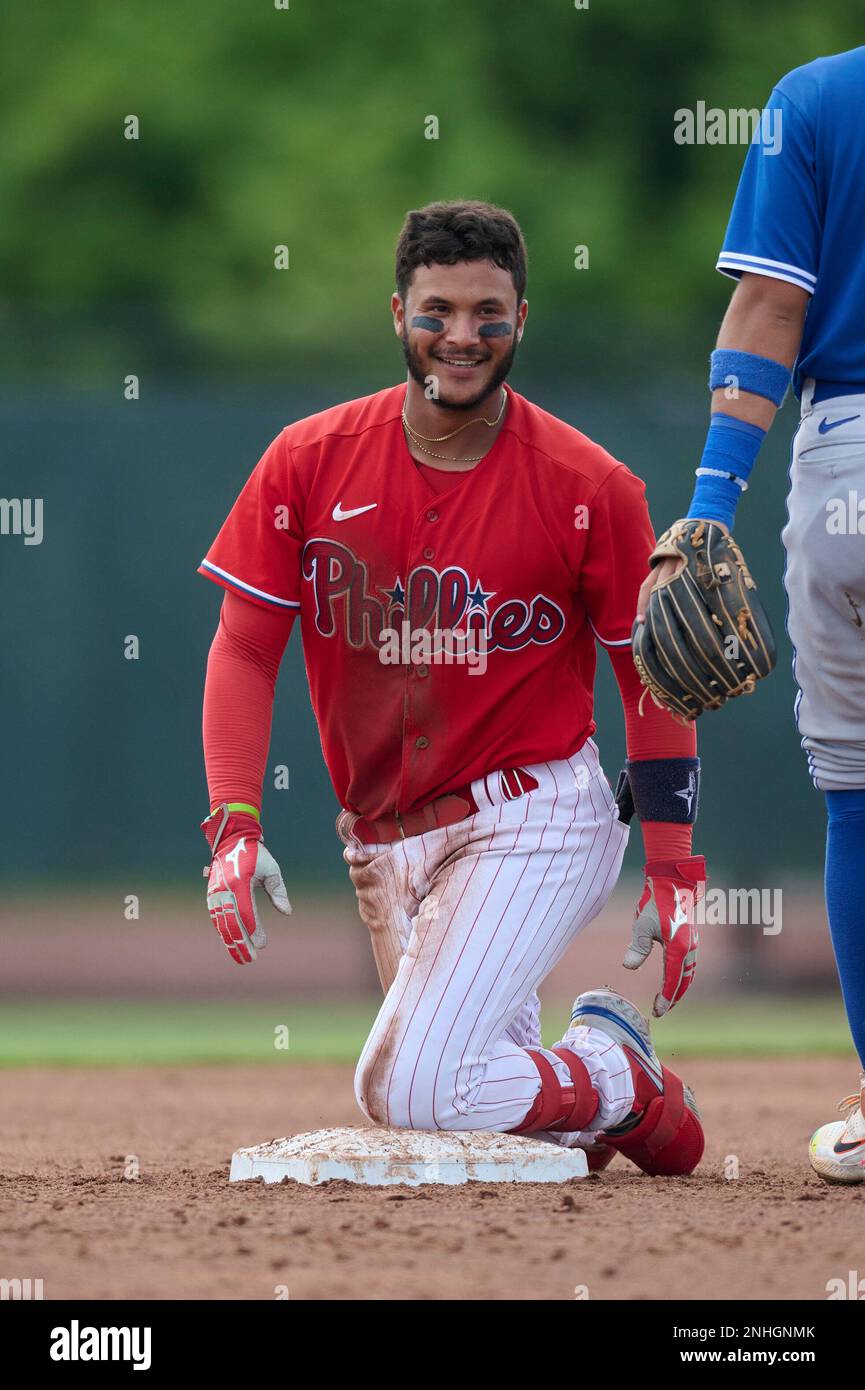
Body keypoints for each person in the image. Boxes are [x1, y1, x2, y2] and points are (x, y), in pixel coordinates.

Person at [199, 200, 705, 1175]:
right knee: (472, 1104)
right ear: (396, 314)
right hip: (381, 836)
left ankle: (615, 1077)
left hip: (535, 816)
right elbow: (245, 649)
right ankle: (573, 1107)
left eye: (488, 312)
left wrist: (674, 859)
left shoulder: (589, 482)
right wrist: (234, 818)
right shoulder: (307, 460)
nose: (462, 335)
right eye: (437, 309)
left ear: (523, 319)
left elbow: (646, 674)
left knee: (408, 1088)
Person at [636, 50, 865, 1183]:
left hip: (849, 463)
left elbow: (771, 302)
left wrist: (708, 504)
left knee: (860, 796)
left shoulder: (815, 99)